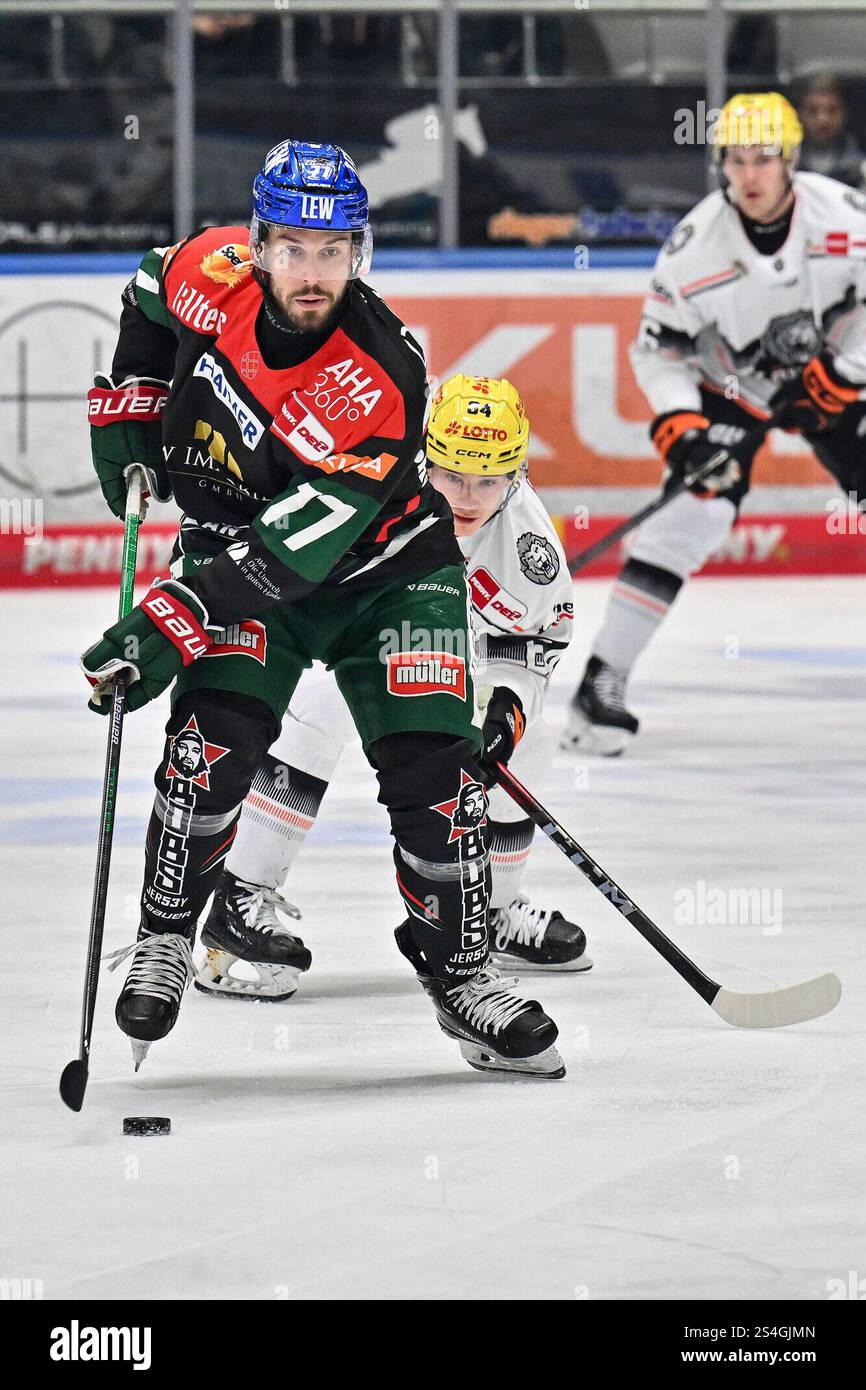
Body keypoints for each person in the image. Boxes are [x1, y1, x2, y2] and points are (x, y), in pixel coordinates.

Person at [81, 140, 564, 1080]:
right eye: (296, 248)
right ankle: (166, 937)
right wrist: (131, 407)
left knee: (439, 779)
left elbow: (292, 554)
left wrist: (166, 621)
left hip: (384, 578)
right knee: (206, 755)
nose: (314, 272)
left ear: (362, 253)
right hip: (238, 553)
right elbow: (146, 296)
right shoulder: (207, 271)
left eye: (334, 251)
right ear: (257, 244)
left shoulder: (382, 374)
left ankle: (461, 975)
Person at [193, 374, 592, 1004]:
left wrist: (507, 714)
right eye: (452, 474)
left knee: (531, 745)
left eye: (488, 480)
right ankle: (238, 900)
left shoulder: (528, 544)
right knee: (322, 706)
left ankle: (492, 911)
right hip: (344, 640)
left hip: (448, 655)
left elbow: (537, 643)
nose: (468, 496)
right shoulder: (369, 484)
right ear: (422, 454)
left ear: (516, 474)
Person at [563, 92, 866, 754]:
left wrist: (846, 373)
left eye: (762, 159)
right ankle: (601, 684)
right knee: (690, 516)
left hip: (837, 375)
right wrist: (681, 424)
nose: (749, 175)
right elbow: (658, 348)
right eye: (735, 160)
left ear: (789, 159)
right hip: (735, 389)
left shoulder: (845, 217)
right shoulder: (693, 250)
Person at [797, 74, 865, 190]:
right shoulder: (786, 166)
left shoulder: (861, 167)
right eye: (813, 110)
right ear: (799, 114)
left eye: (832, 110)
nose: (823, 119)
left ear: (845, 113)